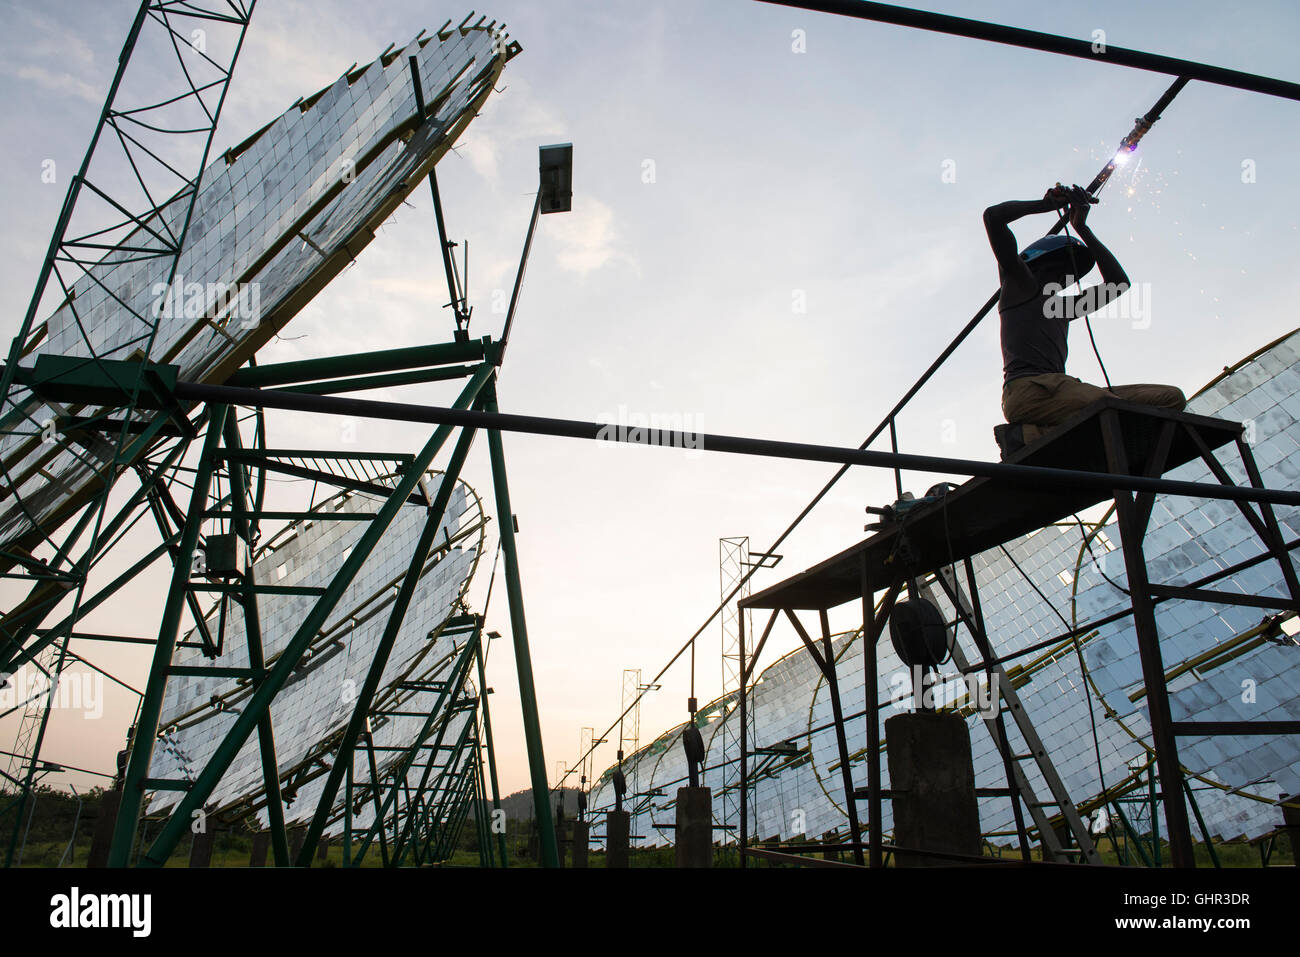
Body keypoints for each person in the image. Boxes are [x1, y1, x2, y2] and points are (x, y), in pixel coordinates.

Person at [983, 184, 1185, 459]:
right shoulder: (1019, 285)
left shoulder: (1062, 308)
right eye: (1061, 267)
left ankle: (1042, 431)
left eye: (1070, 271)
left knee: (1170, 399)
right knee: (1112, 409)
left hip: (1063, 390)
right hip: (1029, 391)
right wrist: (1045, 206)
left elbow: (1117, 284)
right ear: (1039, 264)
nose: (1067, 275)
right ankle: (1026, 436)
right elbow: (993, 217)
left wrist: (1082, 228)